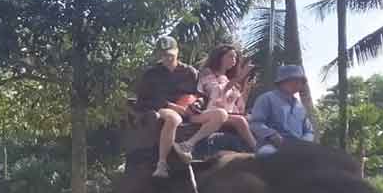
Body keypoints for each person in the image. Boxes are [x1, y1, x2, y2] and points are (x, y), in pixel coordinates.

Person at [133, 37, 228, 179]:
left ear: (177, 51)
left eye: (170, 54)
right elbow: (143, 100)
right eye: (163, 54)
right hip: (164, 110)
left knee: (221, 114)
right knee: (173, 118)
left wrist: (197, 103)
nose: (166, 58)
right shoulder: (151, 74)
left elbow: (200, 95)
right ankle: (162, 163)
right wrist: (170, 106)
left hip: (189, 110)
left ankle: (188, 144)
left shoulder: (190, 72)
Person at [197, 45, 258, 151]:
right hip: (214, 113)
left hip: (230, 114)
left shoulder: (229, 79)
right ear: (220, 57)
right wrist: (240, 77)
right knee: (240, 121)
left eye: (235, 58)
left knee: (255, 119)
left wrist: (246, 90)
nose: (233, 60)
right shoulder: (208, 72)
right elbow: (217, 91)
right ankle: (256, 148)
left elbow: (238, 106)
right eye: (230, 56)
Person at [250, 65, 314, 155]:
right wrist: (272, 135)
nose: (297, 83)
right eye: (293, 80)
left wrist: (304, 143)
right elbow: (256, 123)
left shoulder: (300, 107)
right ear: (282, 81)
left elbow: (309, 131)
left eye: (300, 81)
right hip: (272, 145)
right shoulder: (267, 98)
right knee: (267, 153)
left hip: (298, 147)